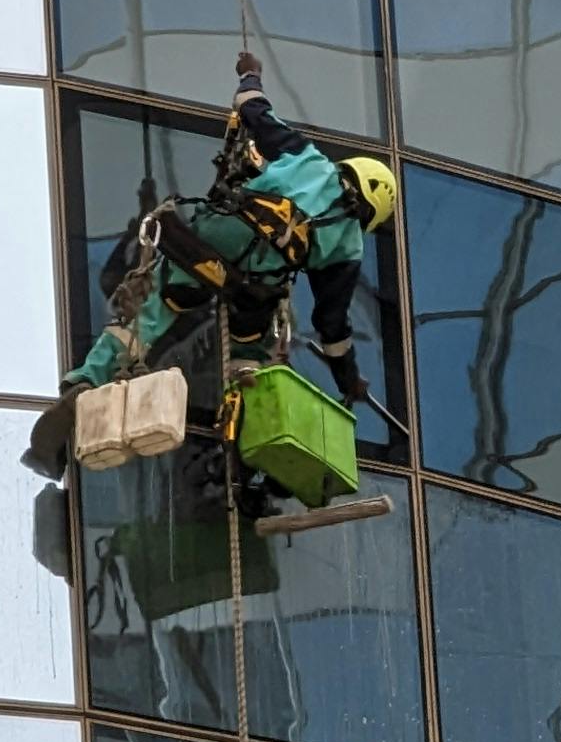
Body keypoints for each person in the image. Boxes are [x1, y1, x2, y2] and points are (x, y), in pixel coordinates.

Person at [24, 57, 396, 475]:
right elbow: (332, 326)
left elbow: (253, 108)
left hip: (211, 243)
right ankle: (243, 431)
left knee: (150, 314)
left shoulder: (308, 159)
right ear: (371, 214)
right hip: (252, 286)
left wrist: (249, 73)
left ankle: (86, 381)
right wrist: (348, 380)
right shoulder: (348, 247)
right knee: (251, 346)